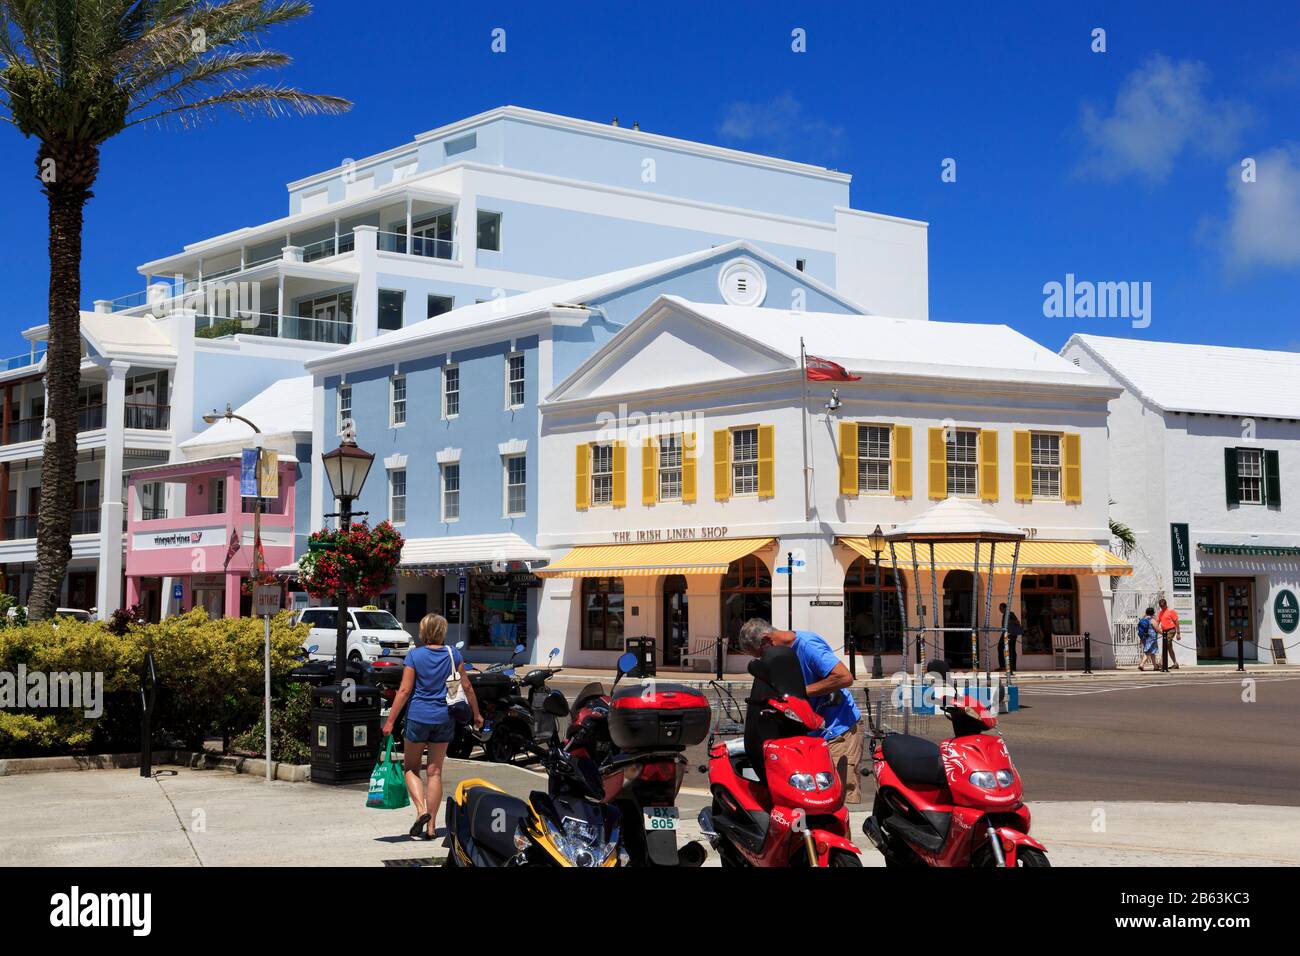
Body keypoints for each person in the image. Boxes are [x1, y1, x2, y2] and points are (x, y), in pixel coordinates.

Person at [737, 619, 865, 804]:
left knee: (833, 801)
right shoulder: (781, 655)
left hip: (838, 730)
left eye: (760, 654)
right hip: (811, 732)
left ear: (767, 640)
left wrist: (801, 692)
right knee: (807, 798)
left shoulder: (807, 646)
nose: (762, 659)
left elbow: (844, 677)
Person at [382, 613, 482, 840]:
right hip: (444, 717)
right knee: (435, 771)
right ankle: (431, 827)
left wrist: (389, 721)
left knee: (410, 768)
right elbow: (466, 686)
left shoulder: (414, 656)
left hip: (418, 717)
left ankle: (421, 811)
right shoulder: (452, 654)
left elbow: (405, 691)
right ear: (442, 632)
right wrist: (476, 714)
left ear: (423, 631)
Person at [996, 603, 1022, 673]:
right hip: (1005, 633)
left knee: (1011, 650)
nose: (1000, 610)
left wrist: (1009, 622)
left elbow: (1017, 622)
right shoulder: (1005, 615)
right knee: (1000, 648)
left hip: (1011, 634)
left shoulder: (1010, 614)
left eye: (1001, 608)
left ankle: (1012, 667)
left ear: (1004, 608)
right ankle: (1003, 666)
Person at [1156, 598, 1181, 670]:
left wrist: (1178, 633)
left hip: (1171, 630)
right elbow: (1157, 622)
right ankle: (1175, 663)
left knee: (1165, 645)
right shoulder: (1160, 613)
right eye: (1161, 606)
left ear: (1166, 605)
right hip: (1164, 632)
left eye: (1163, 606)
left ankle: (1161, 663)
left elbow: (1176, 622)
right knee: (1169, 648)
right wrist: (1156, 631)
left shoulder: (1171, 611)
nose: (1162, 607)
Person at [1137, 607, 1160, 671]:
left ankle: (1155, 666)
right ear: (1153, 613)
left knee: (1152, 652)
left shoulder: (1143, 619)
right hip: (1151, 638)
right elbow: (1157, 629)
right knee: (1148, 651)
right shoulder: (1152, 620)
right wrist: (1163, 634)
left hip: (1145, 637)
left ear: (1146, 612)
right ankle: (1141, 664)